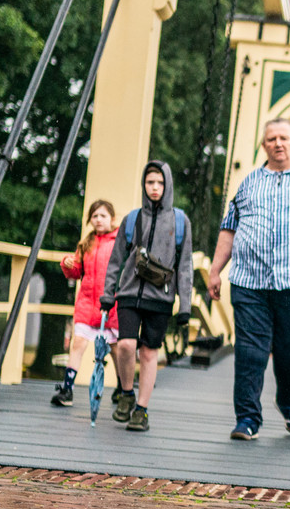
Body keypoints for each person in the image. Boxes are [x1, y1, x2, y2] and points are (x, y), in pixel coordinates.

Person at [208, 118, 290, 441]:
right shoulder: (248, 184)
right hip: (249, 282)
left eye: (283, 138)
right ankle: (247, 419)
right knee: (250, 353)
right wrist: (215, 270)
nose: (277, 143)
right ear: (264, 145)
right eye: (271, 139)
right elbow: (229, 229)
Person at [100, 161, 193, 433]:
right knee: (126, 345)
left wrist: (184, 305)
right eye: (150, 182)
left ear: (168, 186)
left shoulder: (180, 221)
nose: (155, 188)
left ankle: (141, 410)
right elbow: (116, 260)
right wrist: (108, 293)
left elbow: (185, 264)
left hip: (160, 298)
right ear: (144, 185)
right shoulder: (131, 219)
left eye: (160, 183)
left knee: (149, 353)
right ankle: (127, 393)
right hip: (129, 293)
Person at [52, 200, 119, 407]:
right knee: (78, 343)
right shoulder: (86, 243)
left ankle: (123, 387)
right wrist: (68, 264)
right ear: (90, 220)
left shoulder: (119, 243)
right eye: (95, 216)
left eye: (103, 216)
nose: (98, 220)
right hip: (87, 302)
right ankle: (67, 389)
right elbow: (76, 272)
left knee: (116, 348)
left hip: (112, 304)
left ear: (112, 219)